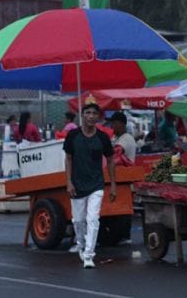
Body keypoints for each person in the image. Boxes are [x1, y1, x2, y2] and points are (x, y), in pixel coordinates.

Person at [63, 103, 117, 268]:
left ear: (98, 117)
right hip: (77, 184)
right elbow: (68, 159)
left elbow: (110, 160)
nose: (91, 116)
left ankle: (89, 255)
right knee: (79, 221)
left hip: (96, 184)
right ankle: (81, 244)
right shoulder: (73, 135)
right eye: (88, 113)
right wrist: (69, 182)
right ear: (82, 115)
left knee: (93, 219)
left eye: (94, 113)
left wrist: (113, 184)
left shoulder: (103, 137)